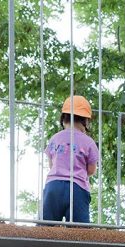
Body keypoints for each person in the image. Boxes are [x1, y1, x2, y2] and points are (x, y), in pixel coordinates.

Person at [41, 95, 100, 224]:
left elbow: (51, 165)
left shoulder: (55, 138)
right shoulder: (89, 142)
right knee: (79, 230)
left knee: (45, 226)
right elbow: (91, 170)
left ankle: (43, 236)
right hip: (77, 188)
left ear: (63, 118)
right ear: (86, 121)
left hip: (53, 186)